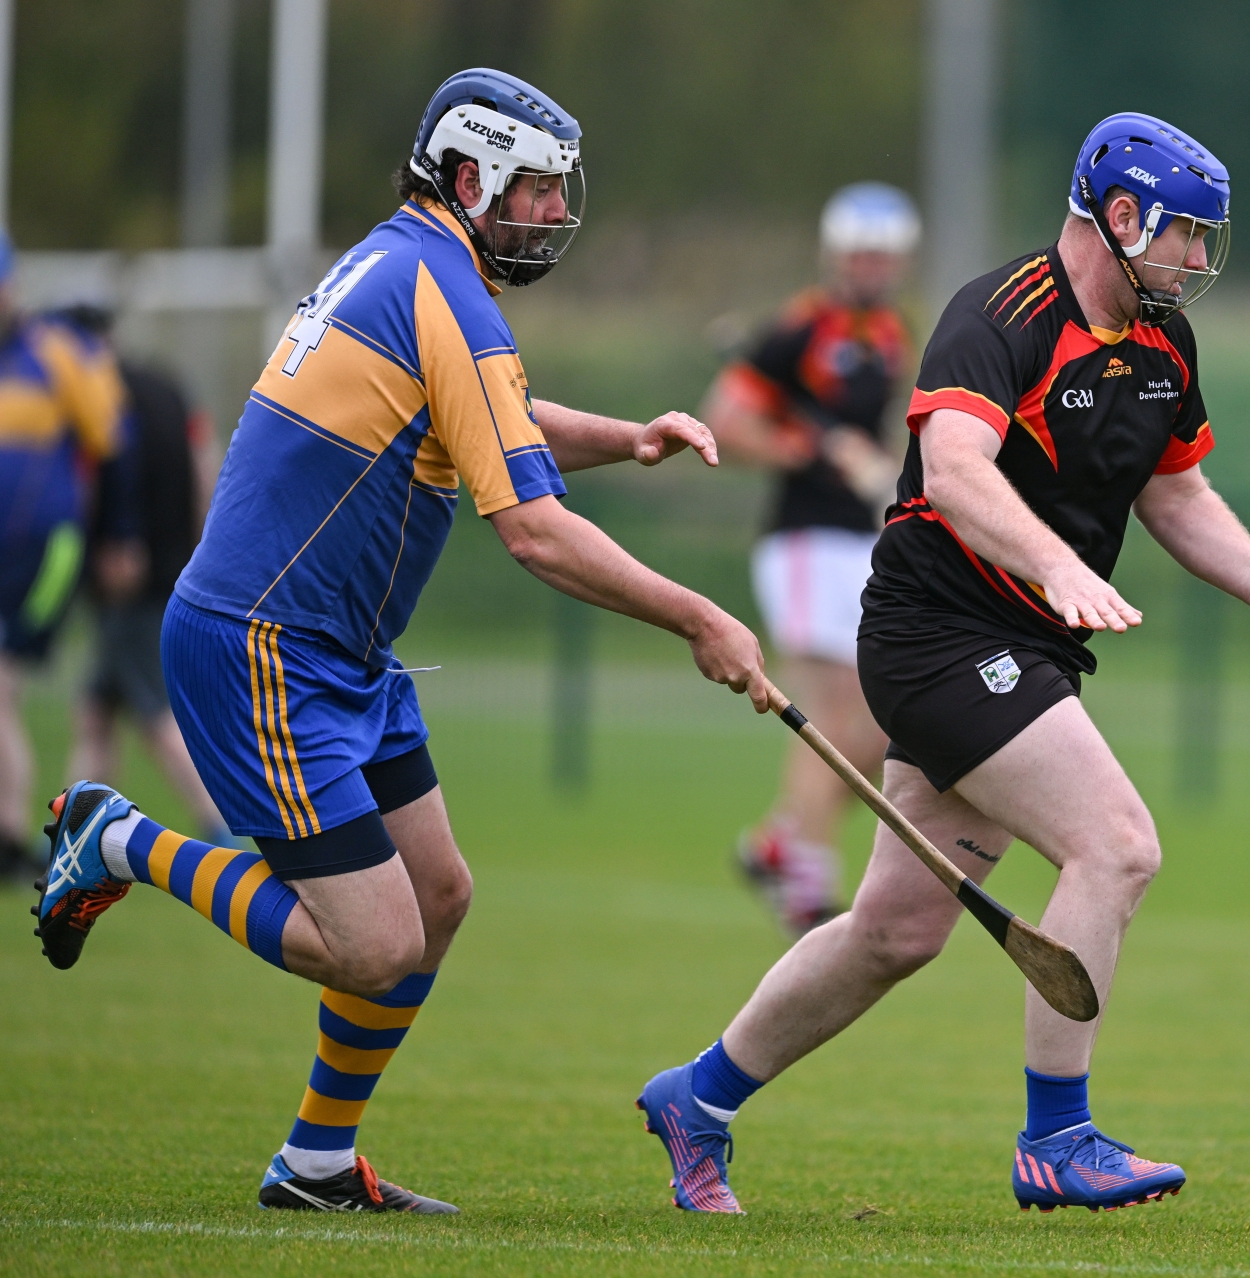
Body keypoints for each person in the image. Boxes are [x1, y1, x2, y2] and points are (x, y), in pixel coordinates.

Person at [31, 68, 768, 1214]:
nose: (549, 215)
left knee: (440, 895)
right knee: (371, 946)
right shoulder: (440, 286)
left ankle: (318, 1163)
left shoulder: (415, 263)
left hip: (342, 658)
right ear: (469, 177)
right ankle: (118, 840)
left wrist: (630, 438)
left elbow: (493, 415)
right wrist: (701, 616)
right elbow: (531, 532)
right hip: (262, 648)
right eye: (532, 191)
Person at [637, 112, 1250, 1215]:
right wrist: (1054, 564)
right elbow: (956, 469)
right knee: (1115, 849)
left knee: (895, 931)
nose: (1199, 261)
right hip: (936, 640)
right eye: (1187, 237)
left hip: (1019, 648)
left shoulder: (1165, 341)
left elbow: (1177, 490)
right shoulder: (1000, 316)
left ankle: (700, 1097)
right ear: (1121, 218)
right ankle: (1055, 1141)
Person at [703, 182, 917, 934]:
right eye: (860, 253)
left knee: (873, 729)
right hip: (800, 545)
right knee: (828, 716)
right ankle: (807, 885)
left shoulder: (890, 333)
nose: (871, 266)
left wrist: (880, 465)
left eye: (884, 255)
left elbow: (873, 430)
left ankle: (776, 842)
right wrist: (808, 448)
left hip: (861, 545)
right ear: (837, 254)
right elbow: (724, 425)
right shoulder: (796, 330)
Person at [55, 307, 230, 845]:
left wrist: (116, 544)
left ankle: (221, 826)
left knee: (156, 716)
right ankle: (69, 834)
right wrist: (206, 541)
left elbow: (96, 477)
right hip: (174, 565)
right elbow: (206, 459)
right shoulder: (166, 386)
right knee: (96, 713)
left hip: (125, 577)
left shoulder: (98, 397)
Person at [0, 245, 132, 883]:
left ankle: (15, 836)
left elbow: (111, 443)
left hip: (45, 554)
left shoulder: (55, 353)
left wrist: (118, 538)